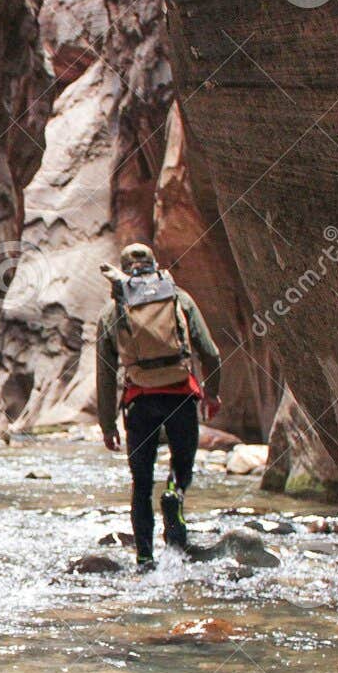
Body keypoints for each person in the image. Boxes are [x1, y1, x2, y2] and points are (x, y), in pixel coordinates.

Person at [96, 242, 222, 569]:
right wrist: (212, 394)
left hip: (139, 402)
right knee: (181, 469)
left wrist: (107, 424)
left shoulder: (113, 312)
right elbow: (210, 352)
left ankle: (144, 558)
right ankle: (174, 504)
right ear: (155, 266)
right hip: (180, 396)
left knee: (140, 483)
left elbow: (105, 375)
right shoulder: (179, 299)